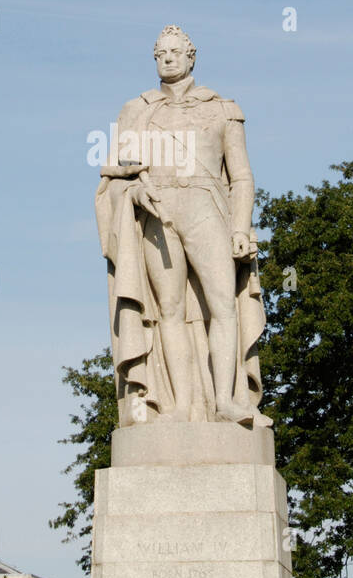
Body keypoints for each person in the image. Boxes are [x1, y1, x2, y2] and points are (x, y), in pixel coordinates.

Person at [95, 25, 272, 428]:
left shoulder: (222, 108)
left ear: (192, 56)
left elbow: (242, 177)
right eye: (160, 53)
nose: (168, 58)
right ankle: (177, 406)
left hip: (207, 206)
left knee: (223, 305)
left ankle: (226, 401)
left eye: (175, 52)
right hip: (158, 212)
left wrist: (241, 228)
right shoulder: (137, 110)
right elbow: (116, 178)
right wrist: (135, 195)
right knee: (168, 311)